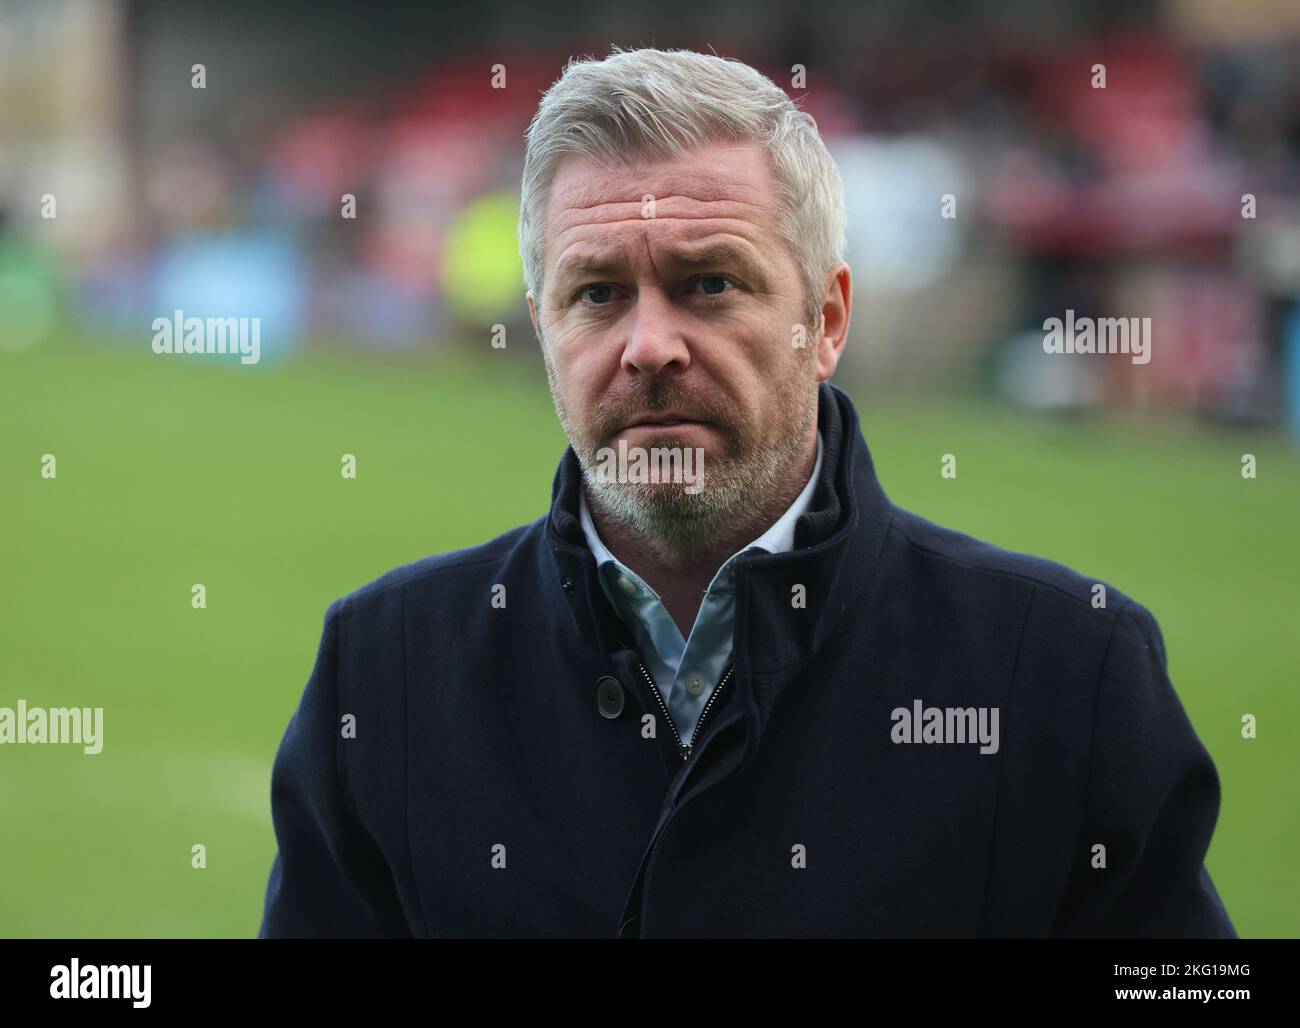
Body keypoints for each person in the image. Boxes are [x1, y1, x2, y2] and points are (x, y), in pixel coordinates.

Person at [257, 47, 1235, 938]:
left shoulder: (1066, 670)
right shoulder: (381, 672)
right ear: (540, 329)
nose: (648, 346)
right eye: (595, 293)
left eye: (710, 283)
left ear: (826, 318)